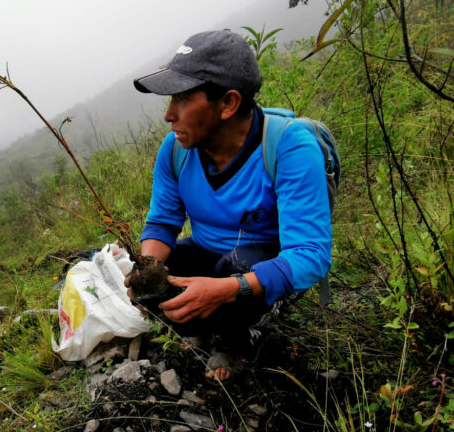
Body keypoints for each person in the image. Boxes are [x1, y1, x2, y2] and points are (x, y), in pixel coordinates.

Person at [128, 30, 332, 381]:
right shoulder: (175, 149)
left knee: (235, 270)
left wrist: (228, 289)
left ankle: (241, 339)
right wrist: (147, 270)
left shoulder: (289, 147)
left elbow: (311, 254)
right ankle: (203, 321)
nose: (169, 115)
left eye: (182, 98)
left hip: (259, 265)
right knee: (152, 275)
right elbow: (162, 222)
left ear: (228, 103)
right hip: (210, 254)